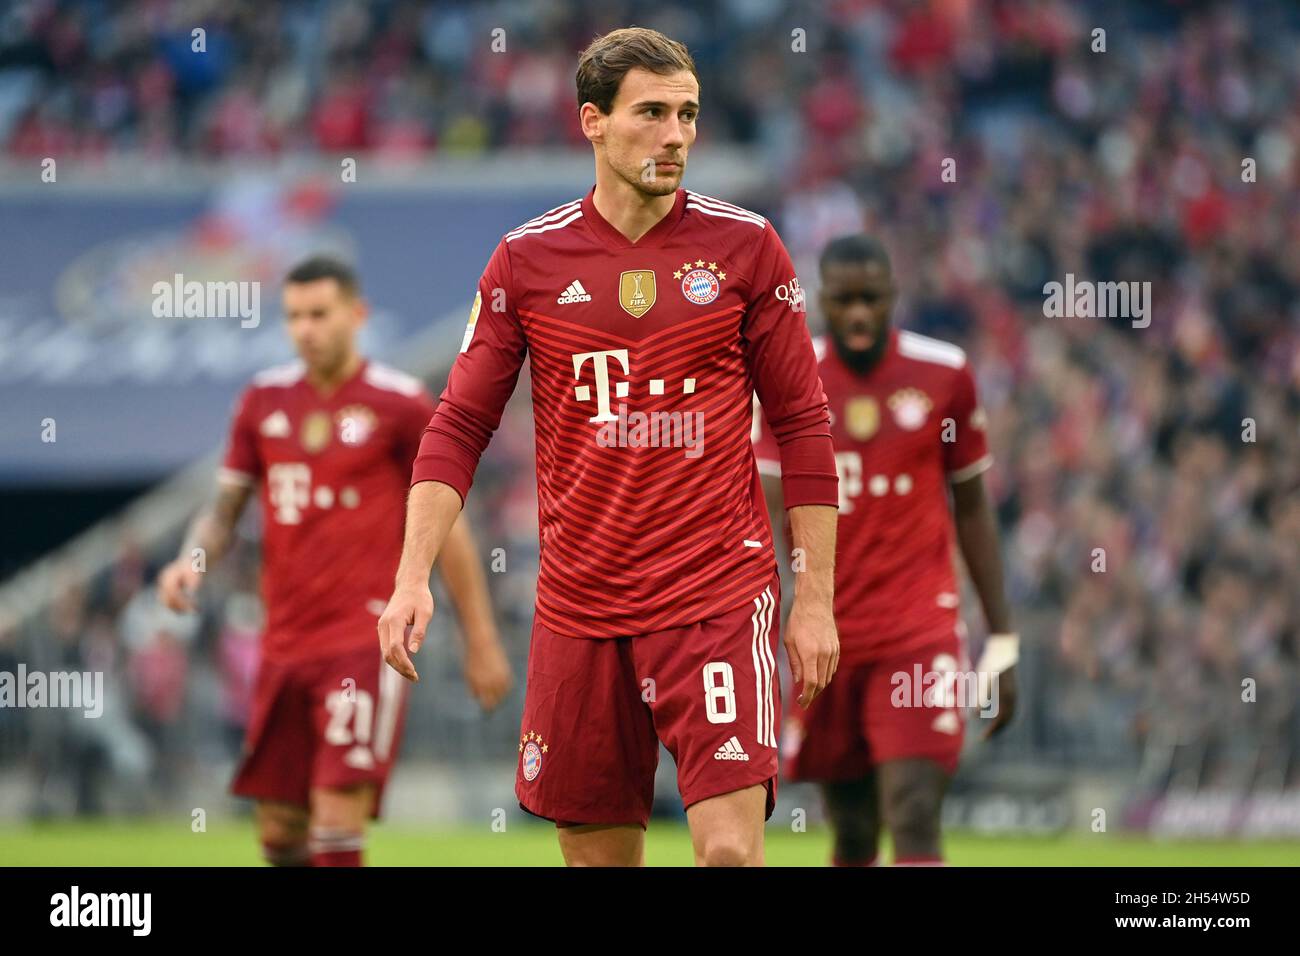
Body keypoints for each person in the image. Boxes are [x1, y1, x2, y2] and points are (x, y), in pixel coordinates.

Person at [378, 27, 839, 867]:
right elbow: (457, 428)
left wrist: (813, 598)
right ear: (593, 121)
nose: (676, 135)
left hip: (716, 597)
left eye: (689, 115)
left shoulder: (748, 248)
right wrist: (411, 577)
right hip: (581, 610)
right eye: (652, 114)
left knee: (729, 855)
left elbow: (804, 425)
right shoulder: (527, 260)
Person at [158, 256, 512, 866]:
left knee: (336, 813)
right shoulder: (262, 402)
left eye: (319, 314)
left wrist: (481, 637)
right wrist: (191, 560)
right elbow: (222, 511)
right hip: (283, 643)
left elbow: (446, 526)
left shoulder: (399, 404)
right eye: (294, 316)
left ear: (356, 314)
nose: (306, 329)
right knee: (279, 830)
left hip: (362, 638)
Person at [754, 235, 1018, 865]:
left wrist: (1003, 642)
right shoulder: (789, 378)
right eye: (844, 300)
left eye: (872, 298)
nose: (859, 314)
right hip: (826, 638)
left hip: (917, 629)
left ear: (893, 297)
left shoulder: (944, 374)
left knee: (914, 812)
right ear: (821, 301)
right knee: (851, 830)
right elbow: (765, 518)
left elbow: (974, 509)